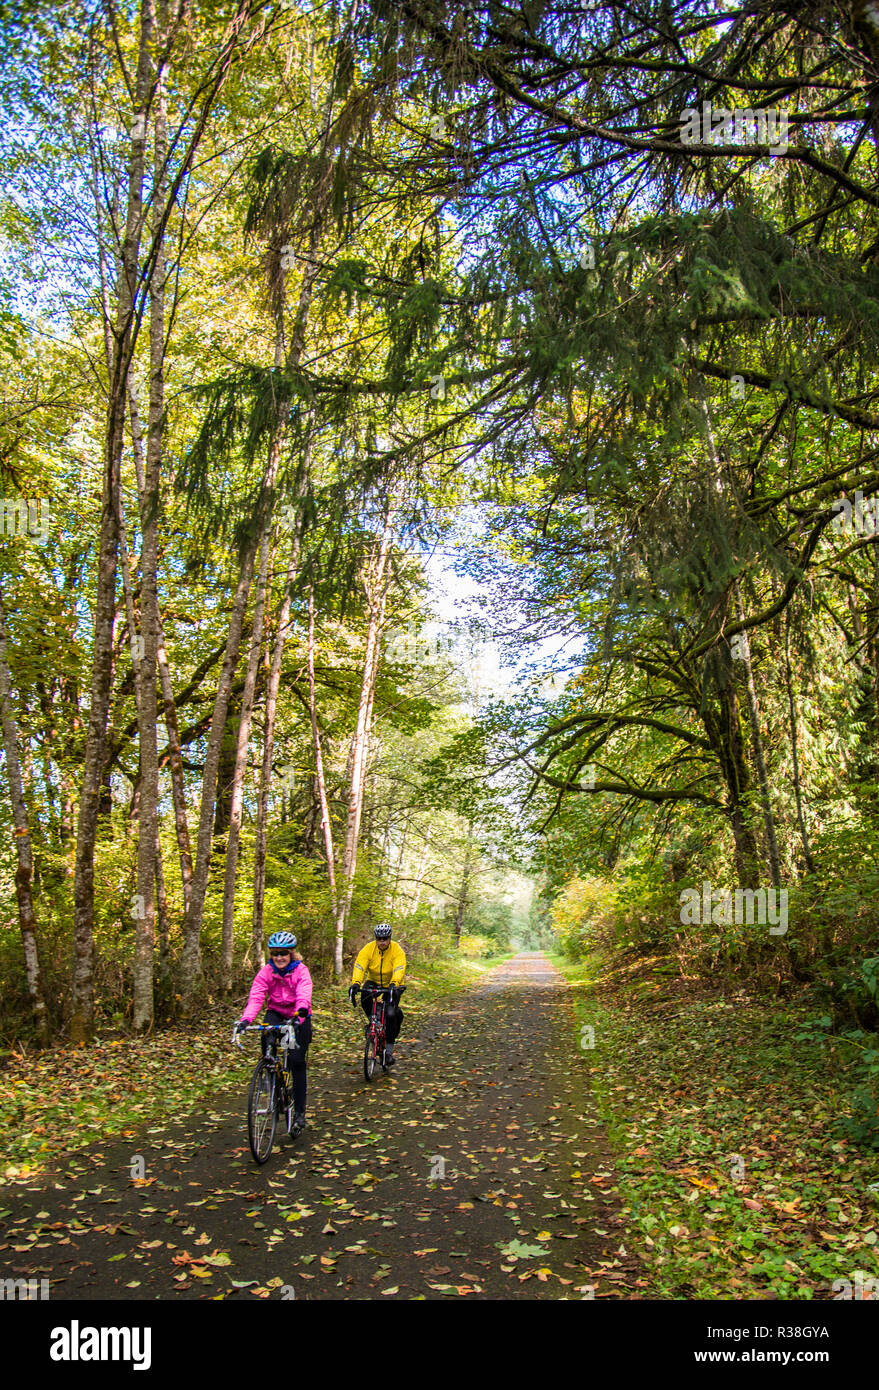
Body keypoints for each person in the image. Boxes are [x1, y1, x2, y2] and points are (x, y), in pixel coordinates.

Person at [235, 931, 312, 1134]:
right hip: (276, 1013)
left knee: (296, 1061)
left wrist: (299, 1015)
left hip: (298, 1015)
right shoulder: (266, 972)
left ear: (291, 954)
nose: (279, 957)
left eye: (283, 953)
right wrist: (246, 1020)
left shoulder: (301, 971)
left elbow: (304, 994)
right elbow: (256, 997)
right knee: (266, 1035)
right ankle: (271, 1080)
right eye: (275, 953)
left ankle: (299, 1114)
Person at [347, 922, 406, 1065]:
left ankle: (388, 1053)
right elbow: (360, 966)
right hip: (373, 980)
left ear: (389, 938)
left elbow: (399, 967)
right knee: (364, 996)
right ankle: (374, 1022)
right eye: (379, 939)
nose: (382, 942)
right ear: (376, 939)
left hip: (392, 983)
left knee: (392, 1015)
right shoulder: (368, 949)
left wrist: (394, 983)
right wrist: (356, 983)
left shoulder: (396, 950)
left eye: (385, 939)